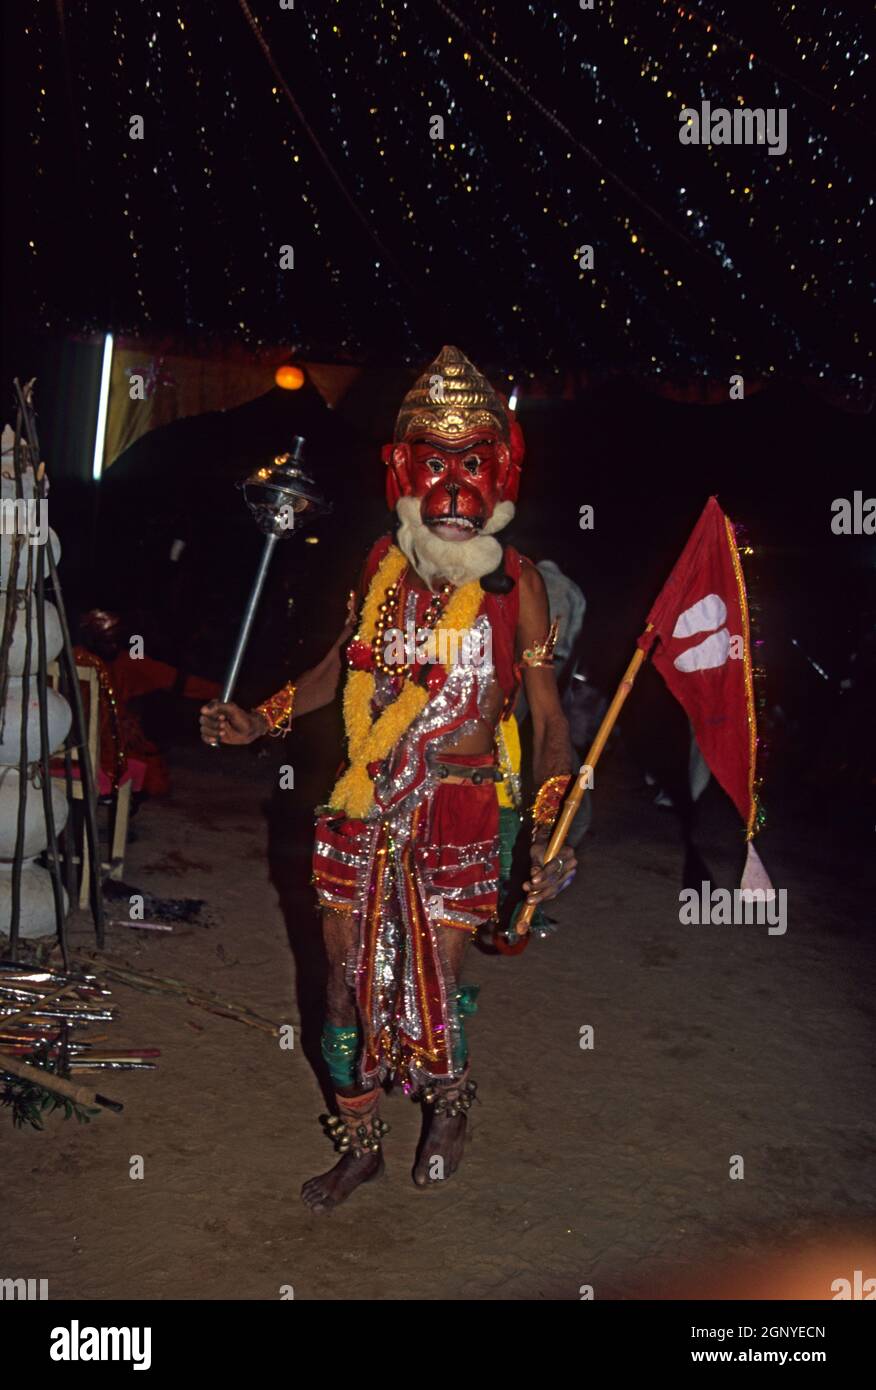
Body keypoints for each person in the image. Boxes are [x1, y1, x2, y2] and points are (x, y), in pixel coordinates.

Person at [200, 346, 578, 1210]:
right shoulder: (379, 565)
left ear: (502, 471)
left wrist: (552, 821)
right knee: (340, 983)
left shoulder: (518, 588)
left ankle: (450, 1105)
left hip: (461, 804)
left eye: (472, 465)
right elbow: (340, 666)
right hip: (362, 801)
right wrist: (262, 717)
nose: (453, 490)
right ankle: (361, 1140)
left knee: (433, 982)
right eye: (435, 466)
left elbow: (551, 722)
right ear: (404, 471)